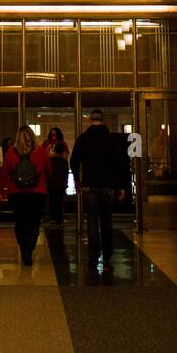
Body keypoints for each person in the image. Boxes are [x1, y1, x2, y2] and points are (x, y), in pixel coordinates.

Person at [70, 109, 126, 271]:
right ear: (103, 120)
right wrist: (121, 186)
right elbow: (119, 164)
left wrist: (77, 179)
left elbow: (74, 161)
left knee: (92, 221)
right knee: (106, 221)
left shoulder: (83, 139)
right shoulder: (110, 139)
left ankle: (93, 257)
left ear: (89, 120)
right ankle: (107, 255)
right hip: (108, 186)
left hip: (90, 186)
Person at [0, 125, 51, 265]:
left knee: (20, 221)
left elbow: (3, 175)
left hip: (16, 194)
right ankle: (29, 249)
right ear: (32, 136)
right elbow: (49, 170)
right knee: (34, 222)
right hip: (37, 193)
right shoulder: (41, 151)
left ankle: (23, 247)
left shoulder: (11, 153)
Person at [45, 130, 70, 227]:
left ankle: (53, 218)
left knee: (52, 201)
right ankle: (59, 219)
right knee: (60, 201)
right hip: (61, 184)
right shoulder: (63, 161)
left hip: (51, 184)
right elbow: (66, 173)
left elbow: (48, 172)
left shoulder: (50, 160)